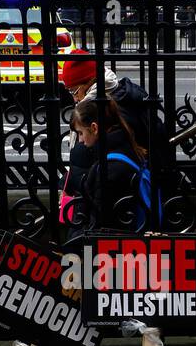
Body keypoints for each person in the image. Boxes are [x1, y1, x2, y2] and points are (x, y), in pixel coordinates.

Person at [58, 50, 171, 224]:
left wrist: (71, 183)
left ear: (89, 83)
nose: (74, 98)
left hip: (118, 205)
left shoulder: (105, 108)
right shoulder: (116, 95)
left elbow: (94, 162)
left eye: (74, 90)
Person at [63, 95, 150, 234]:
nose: (80, 140)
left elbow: (101, 225)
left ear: (94, 128)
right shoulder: (125, 145)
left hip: (112, 252)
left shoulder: (108, 169)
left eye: (80, 133)